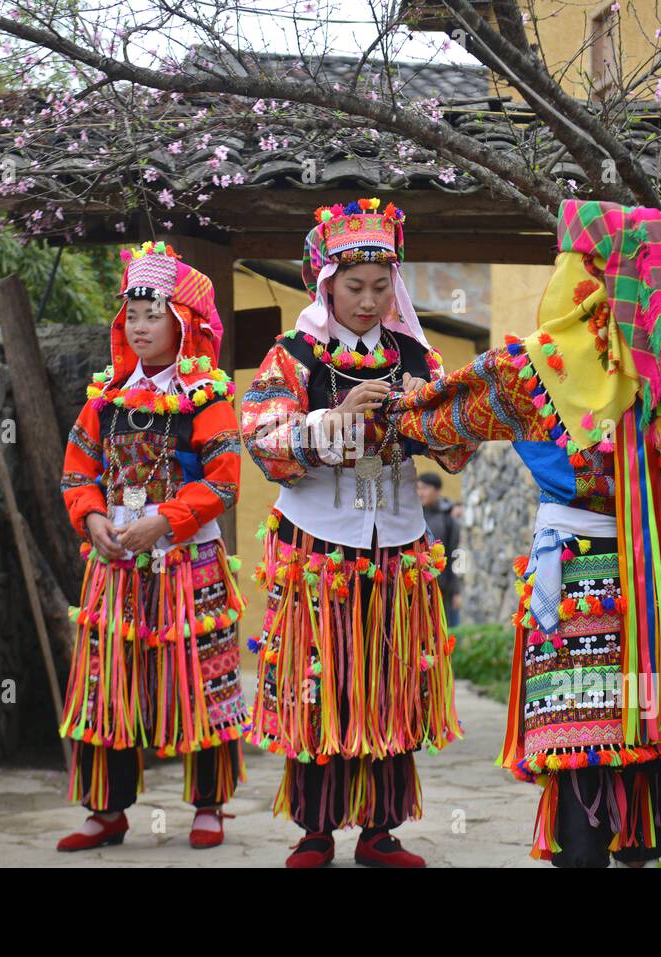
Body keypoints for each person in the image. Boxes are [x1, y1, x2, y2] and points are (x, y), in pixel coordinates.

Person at [389, 199, 661, 867]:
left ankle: (581, 848)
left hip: (578, 574)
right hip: (656, 579)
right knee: (643, 714)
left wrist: (394, 406)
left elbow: (437, 422)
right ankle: (641, 841)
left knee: (580, 727)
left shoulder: (531, 368)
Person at [240, 198, 474, 868]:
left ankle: (379, 829)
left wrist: (448, 417)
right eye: (353, 287)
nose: (368, 301)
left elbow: (453, 452)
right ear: (325, 284)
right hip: (317, 545)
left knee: (389, 676)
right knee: (320, 678)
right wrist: (336, 417)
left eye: (380, 287)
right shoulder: (292, 355)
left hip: (396, 543)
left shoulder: (414, 354)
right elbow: (263, 443)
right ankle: (314, 829)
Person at [56, 240, 247, 852]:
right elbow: (77, 473)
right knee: (107, 681)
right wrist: (92, 522)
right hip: (114, 561)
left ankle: (209, 805)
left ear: (183, 323)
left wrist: (164, 521)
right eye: (131, 316)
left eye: (152, 314)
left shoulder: (207, 399)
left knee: (201, 675)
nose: (139, 327)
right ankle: (105, 810)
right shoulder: (104, 400)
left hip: (188, 561)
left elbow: (223, 480)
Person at [416, 472, 461, 627]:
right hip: (416, 583)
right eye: (418, 488)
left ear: (437, 491)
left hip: (442, 587)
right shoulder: (413, 517)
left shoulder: (447, 519)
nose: (420, 492)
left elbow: (456, 553)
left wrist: (456, 591)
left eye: (425, 488)